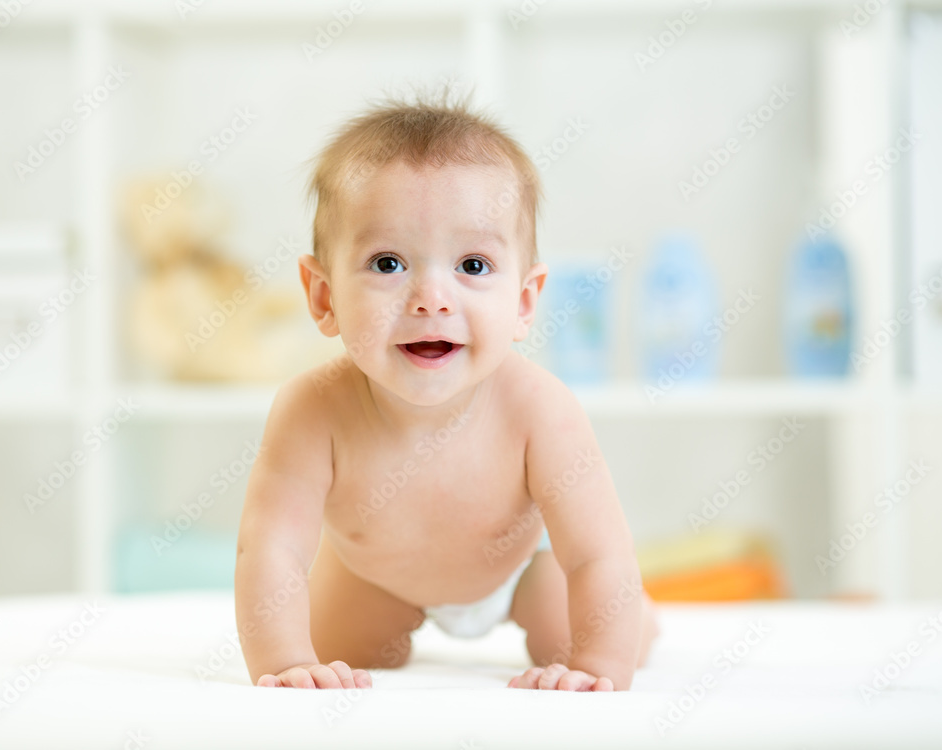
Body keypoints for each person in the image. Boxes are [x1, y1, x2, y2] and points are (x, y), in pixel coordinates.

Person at [234, 91, 658, 692]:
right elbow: (270, 549)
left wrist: (600, 668)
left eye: (474, 266)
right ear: (324, 296)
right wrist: (282, 664)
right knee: (328, 656)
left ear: (524, 301)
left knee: (599, 636)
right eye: (387, 264)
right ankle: (375, 625)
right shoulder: (312, 410)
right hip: (371, 577)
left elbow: (598, 556)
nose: (431, 298)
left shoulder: (541, 409)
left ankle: (647, 623)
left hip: (521, 574)